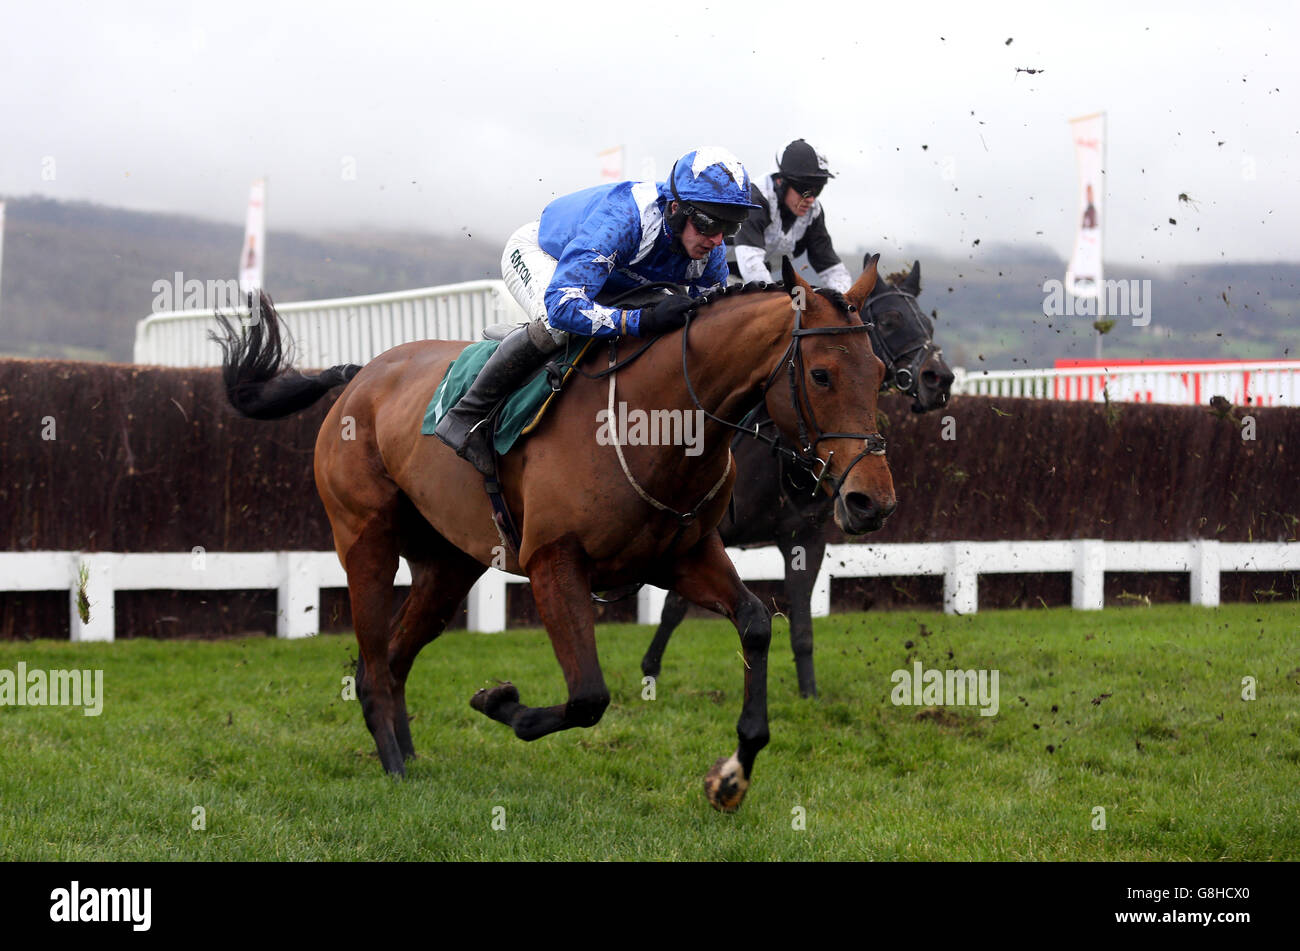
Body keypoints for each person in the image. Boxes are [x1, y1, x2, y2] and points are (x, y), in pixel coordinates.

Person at [434, 146, 762, 476]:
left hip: (613, 275)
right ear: (676, 209)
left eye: (730, 227)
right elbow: (564, 306)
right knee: (558, 325)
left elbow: (711, 324)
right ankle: (466, 415)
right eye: (708, 223)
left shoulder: (711, 249)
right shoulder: (623, 219)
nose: (718, 239)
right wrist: (642, 320)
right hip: (544, 254)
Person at [728, 138, 851, 293]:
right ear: (780, 181)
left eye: (818, 189)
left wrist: (844, 302)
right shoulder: (755, 200)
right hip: (708, 276)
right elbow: (751, 266)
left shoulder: (813, 213)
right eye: (805, 189)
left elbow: (832, 268)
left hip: (750, 284)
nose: (811, 199)